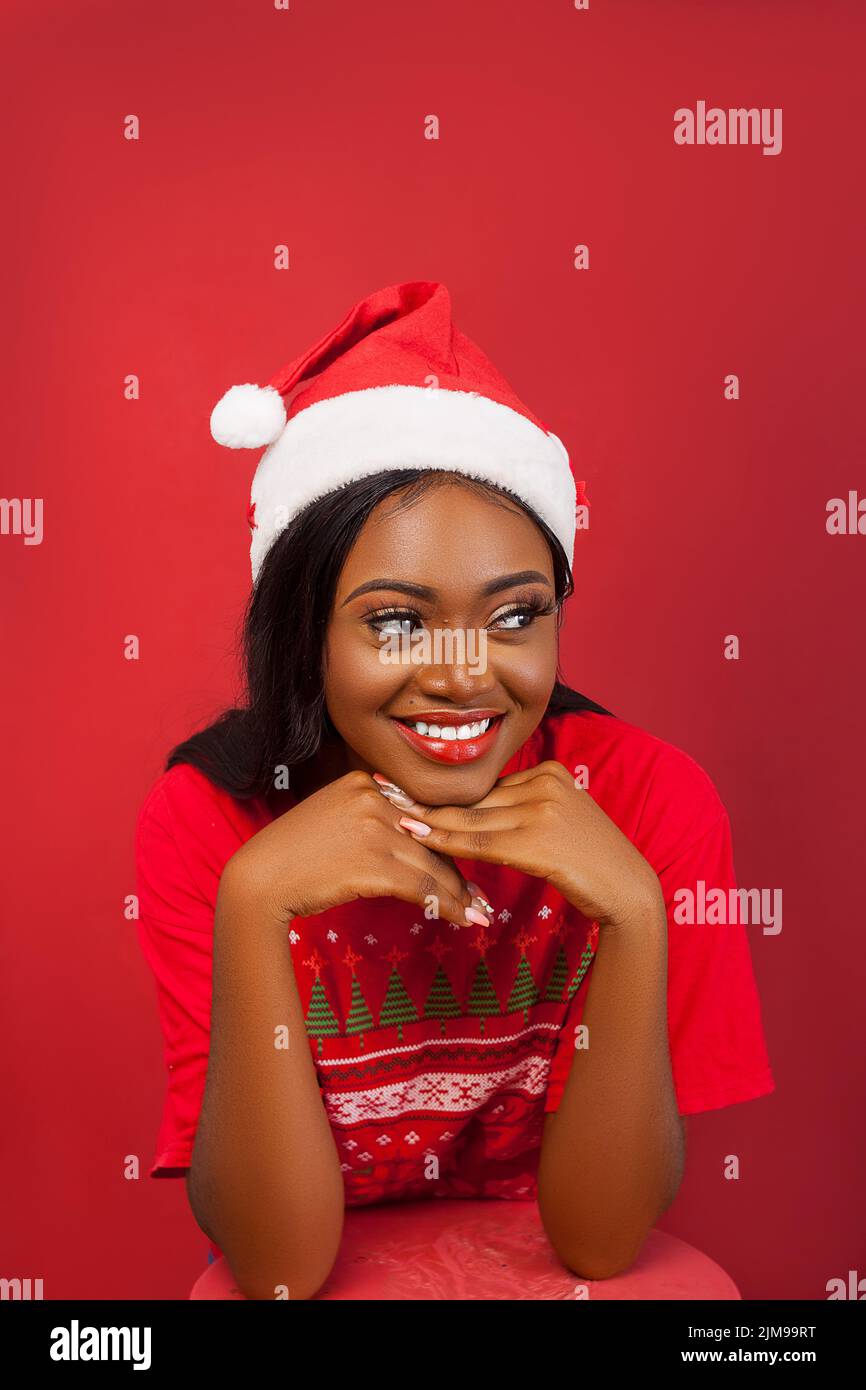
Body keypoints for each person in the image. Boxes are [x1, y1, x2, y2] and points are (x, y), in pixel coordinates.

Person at [134, 281, 775, 1300]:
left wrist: (635, 912)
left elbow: (601, 1246)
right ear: (305, 634)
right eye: (394, 622)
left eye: (514, 615)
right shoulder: (208, 819)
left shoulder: (651, 799)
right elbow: (276, 1272)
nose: (464, 673)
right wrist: (255, 902)